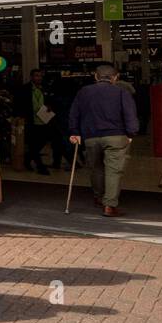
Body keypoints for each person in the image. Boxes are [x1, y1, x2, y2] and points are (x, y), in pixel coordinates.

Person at [69, 63, 139, 217]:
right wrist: (131, 134)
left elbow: (74, 113)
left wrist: (74, 132)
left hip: (91, 137)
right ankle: (109, 205)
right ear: (115, 77)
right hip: (116, 136)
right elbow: (130, 115)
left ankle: (98, 197)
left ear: (95, 76)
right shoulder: (121, 92)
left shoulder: (84, 92)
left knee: (96, 169)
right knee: (113, 171)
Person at [21, 69, 55, 175]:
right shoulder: (25, 89)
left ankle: (27, 158)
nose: (38, 78)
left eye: (40, 76)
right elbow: (20, 103)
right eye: (36, 76)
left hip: (44, 119)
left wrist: (50, 106)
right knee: (33, 143)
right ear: (31, 77)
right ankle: (40, 167)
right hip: (31, 121)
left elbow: (51, 100)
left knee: (42, 141)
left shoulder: (45, 88)